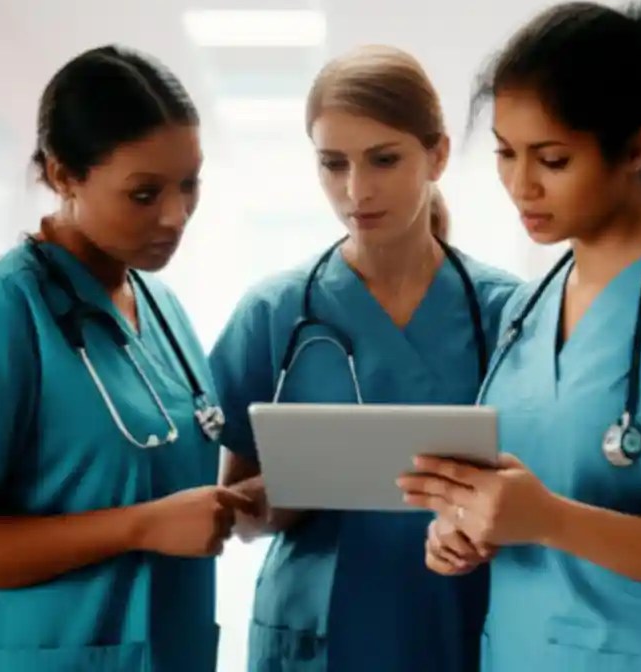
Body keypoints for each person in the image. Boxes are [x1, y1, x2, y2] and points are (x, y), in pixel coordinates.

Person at [397, 0, 641, 671]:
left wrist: (548, 520)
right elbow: (529, 502)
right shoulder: (530, 308)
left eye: (551, 159)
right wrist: (469, 527)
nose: (521, 185)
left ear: (638, 147)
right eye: (506, 154)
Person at [0, 45, 253, 672]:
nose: (175, 216)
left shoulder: (162, 306)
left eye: (189, 184)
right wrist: (139, 527)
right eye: (144, 194)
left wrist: (245, 502)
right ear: (64, 175)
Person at [210, 45, 520, 671]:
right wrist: (282, 494)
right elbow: (229, 511)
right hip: (315, 632)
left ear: (437, 155)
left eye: (384, 159)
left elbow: (539, 484)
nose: (356, 190)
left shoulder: (509, 312)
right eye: (333, 164)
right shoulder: (275, 312)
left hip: (457, 618)